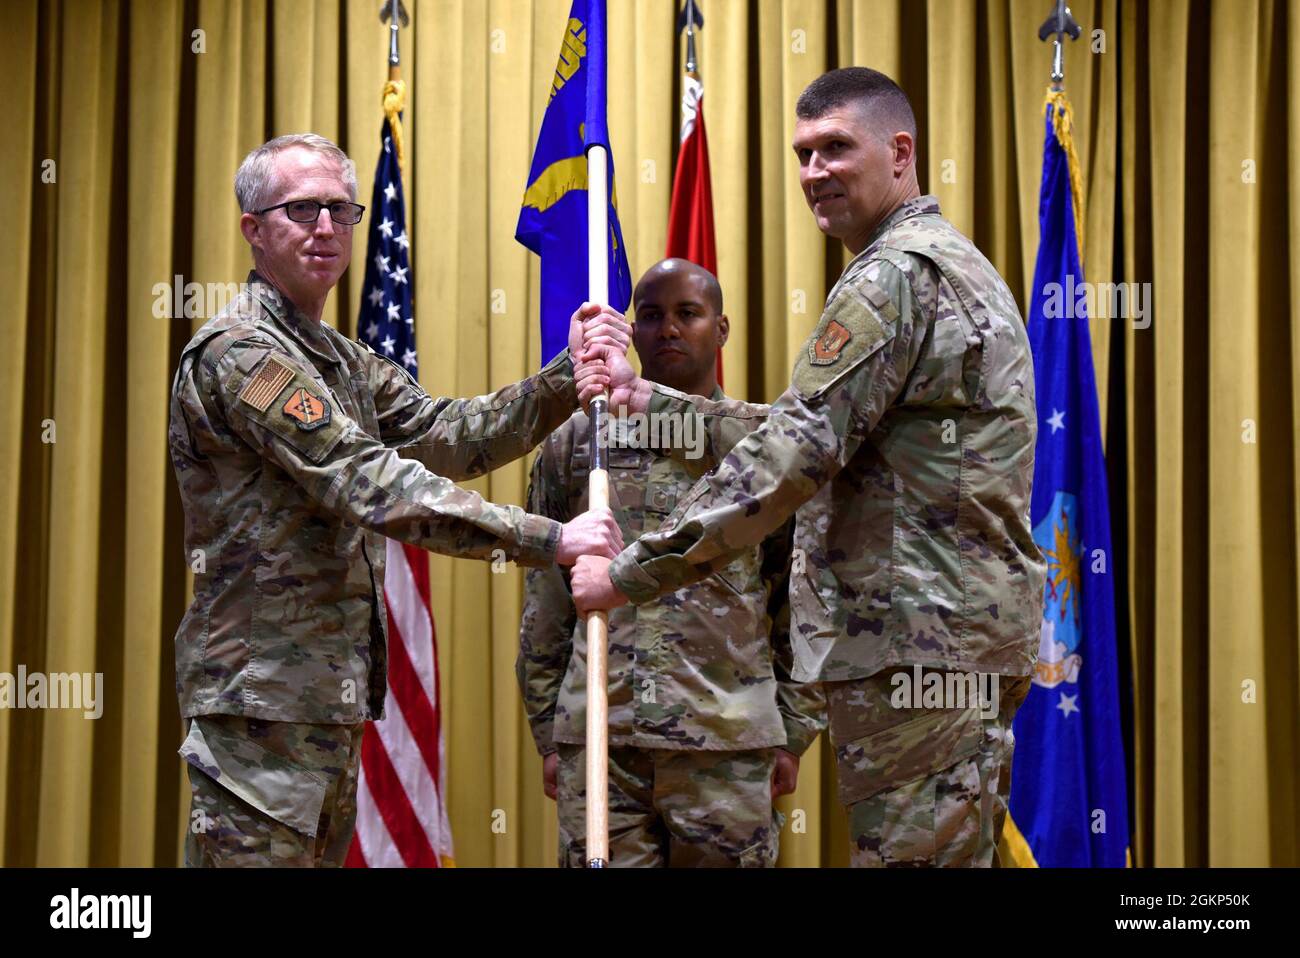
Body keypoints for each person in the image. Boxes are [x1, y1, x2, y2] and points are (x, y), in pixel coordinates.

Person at [568, 68, 1046, 867]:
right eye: (802, 154)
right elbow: (840, 431)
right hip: (952, 644)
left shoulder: (892, 276)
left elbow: (794, 454)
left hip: (916, 649)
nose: (814, 172)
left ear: (900, 153)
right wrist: (656, 404)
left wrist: (635, 571)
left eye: (836, 149)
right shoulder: (949, 262)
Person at [169, 133, 625, 867]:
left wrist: (565, 378)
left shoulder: (339, 358)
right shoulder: (242, 353)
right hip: (260, 710)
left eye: (340, 211)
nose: (325, 227)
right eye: (301, 209)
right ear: (253, 229)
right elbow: (368, 481)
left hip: (322, 702)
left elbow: (446, 434)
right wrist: (551, 539)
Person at [519, 259, 825, 867]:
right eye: (651, 317)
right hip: (605, 735)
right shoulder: (580, 443)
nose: (668, 330)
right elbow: (546, 598)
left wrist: (793, 728)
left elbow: (805, 595)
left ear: (723, 327)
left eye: (688, 314)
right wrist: (550, 728)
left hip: (726, 741)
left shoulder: (762, 450)